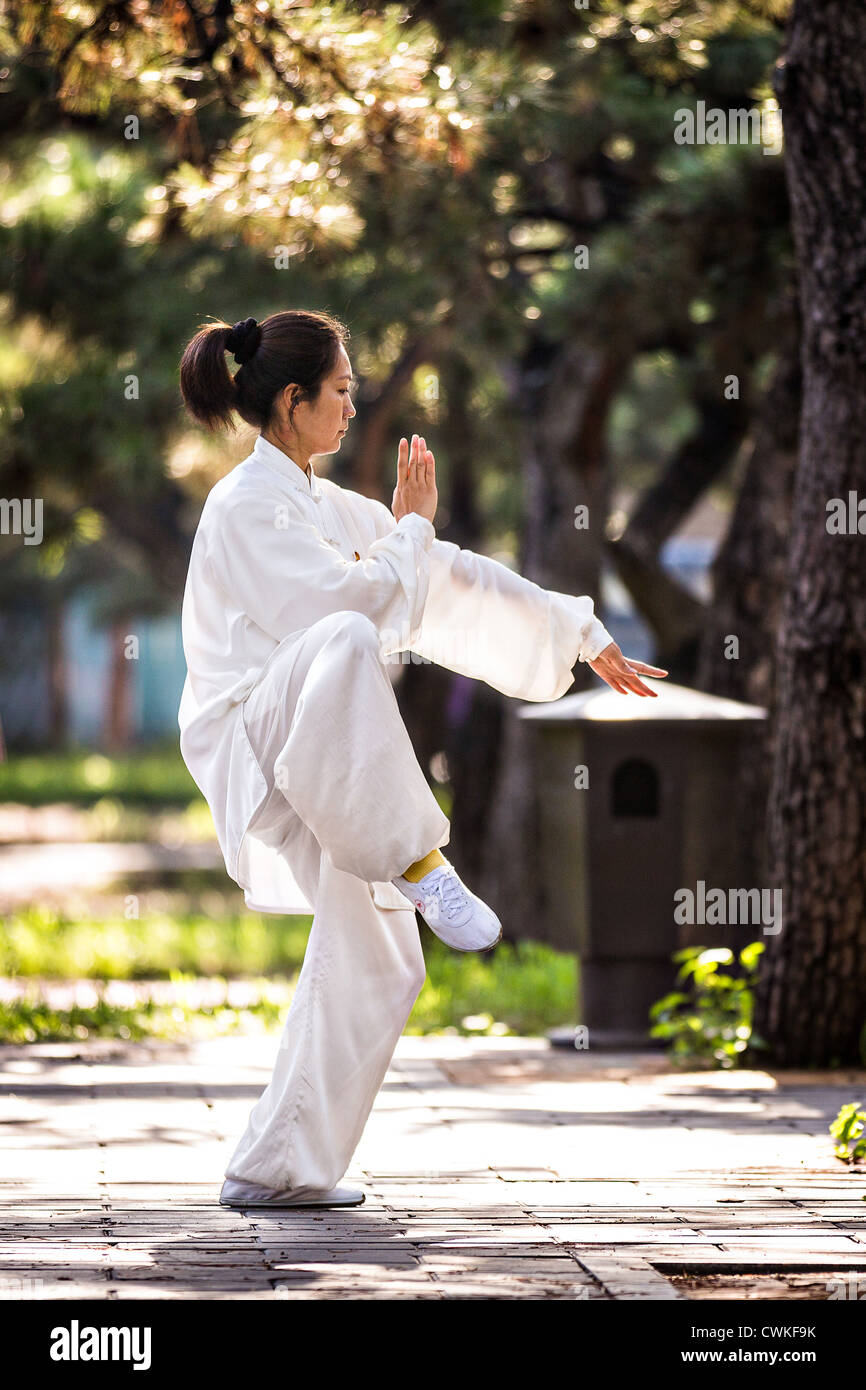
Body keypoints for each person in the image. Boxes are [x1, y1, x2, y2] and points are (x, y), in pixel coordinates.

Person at [177, 309, 668, 1210]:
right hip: (260, 741)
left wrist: (577, 632)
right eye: (340, 391)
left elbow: (443, 574)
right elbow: (341, 606)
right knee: (343, 640)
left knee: (386, 964)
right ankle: (418, 858)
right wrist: (405, 533)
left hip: (334, 759)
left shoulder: (323, 504)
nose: (353, 406)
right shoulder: (244, 505)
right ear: (292, 402)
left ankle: (277, 1167)